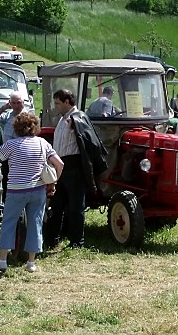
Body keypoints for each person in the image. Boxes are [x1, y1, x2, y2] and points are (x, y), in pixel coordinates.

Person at [0, 112, 63, 274]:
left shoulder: (11, 144)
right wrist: (53, 182)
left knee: (9, 223)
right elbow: (59, 164)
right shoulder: (42, 143)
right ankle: (31, 262)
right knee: (35, 224)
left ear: (16, 128)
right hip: (37, 190)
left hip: (16, 190)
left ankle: (3, 261)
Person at [45, 89, 108, 249]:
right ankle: (52, 239)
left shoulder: (78, 117)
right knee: (56, 205)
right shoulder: (63, 119)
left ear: (67, 102)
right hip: (60, 167)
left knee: (75, 207)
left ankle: (77, 241)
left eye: (58, 103)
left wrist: (76, 127)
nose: (56, 106)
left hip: (74, 168)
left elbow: (91, 142)